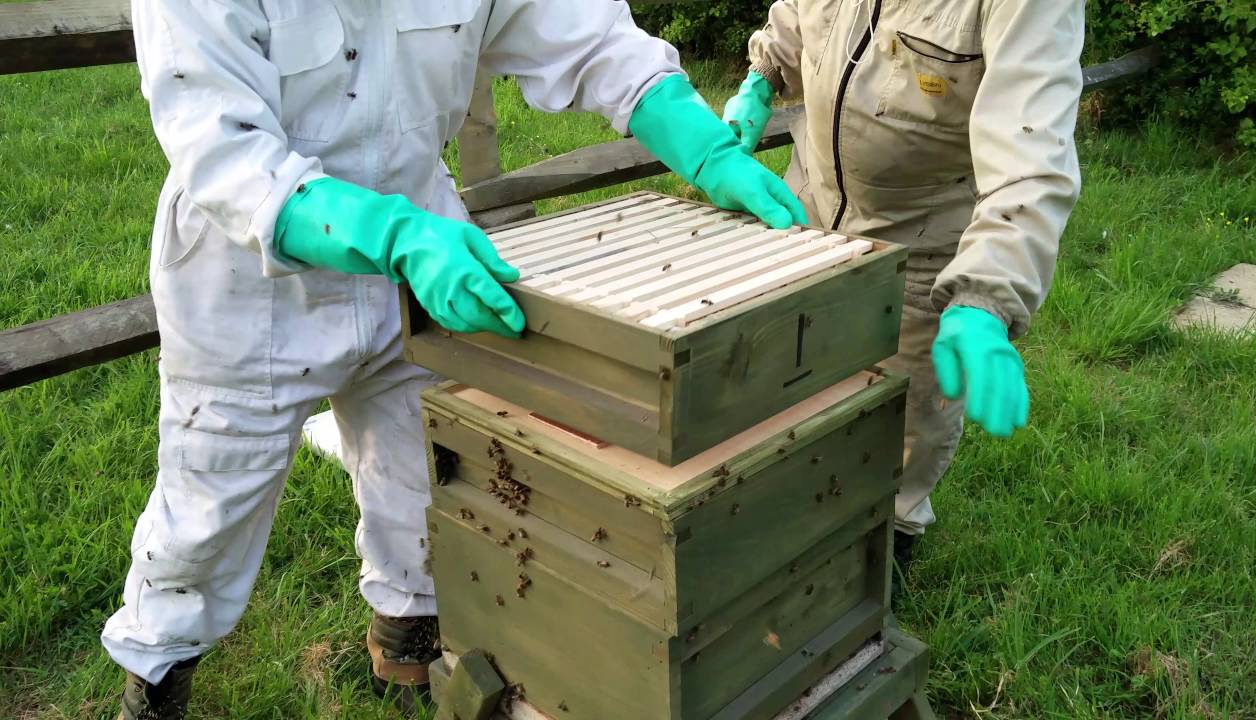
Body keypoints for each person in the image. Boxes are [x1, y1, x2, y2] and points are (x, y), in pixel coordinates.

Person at [106, 1, 806, 717]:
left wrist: (700, 144)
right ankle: (157, 675)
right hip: (248, 282)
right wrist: (390, 232)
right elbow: (223, 151)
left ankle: (409, 647)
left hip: (422, 259)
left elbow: (587, 35)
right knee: (210, 500)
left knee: (425, 469)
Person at [724, 0, 1085, 587]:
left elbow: (1031, 158)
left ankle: (889, 547)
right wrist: (761, 78)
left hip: (921, 246)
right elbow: (797, 16)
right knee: (787, 385)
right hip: (807, 209)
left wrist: (986, 298)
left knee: (907, 422)